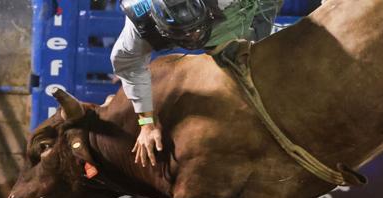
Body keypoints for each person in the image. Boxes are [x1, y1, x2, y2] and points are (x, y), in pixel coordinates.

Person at [112, 0, 284, 168]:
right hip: (202, 22)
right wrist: (147, 124)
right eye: (186, 34)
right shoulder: (140, 23)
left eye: (194, 31)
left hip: (224, 12)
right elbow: (129, 64)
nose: (193, 37)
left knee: (258, 65)